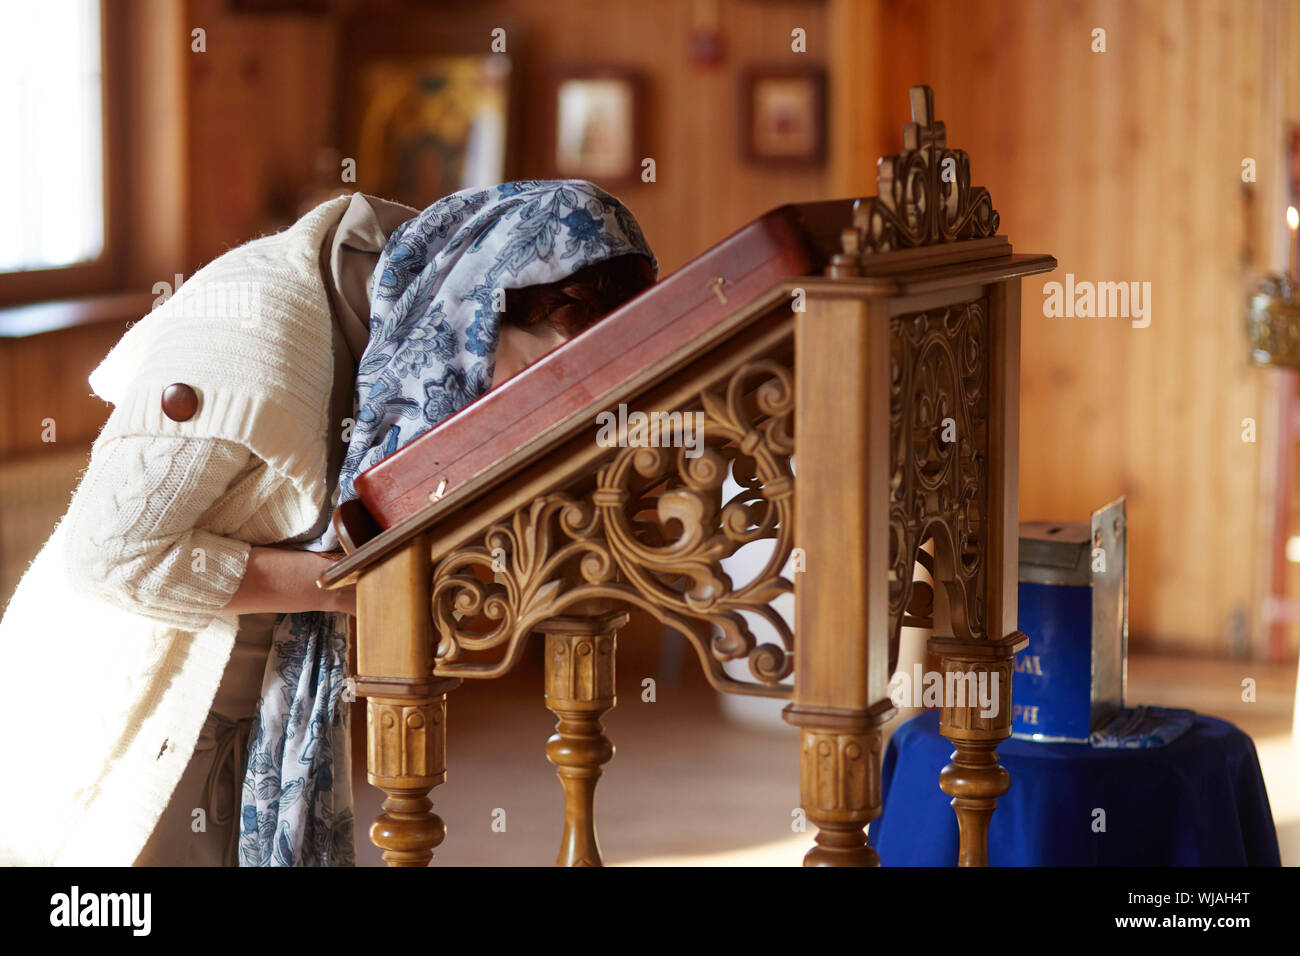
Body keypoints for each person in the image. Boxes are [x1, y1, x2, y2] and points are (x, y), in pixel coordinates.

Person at [0, 181, 656, 866]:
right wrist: (341, 587)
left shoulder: (412, 311)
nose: (526, 415)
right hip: (124, 703)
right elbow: (111, 560)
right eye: (535, 379)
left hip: (253, 707)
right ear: (481, 302)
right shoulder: (258, 325)